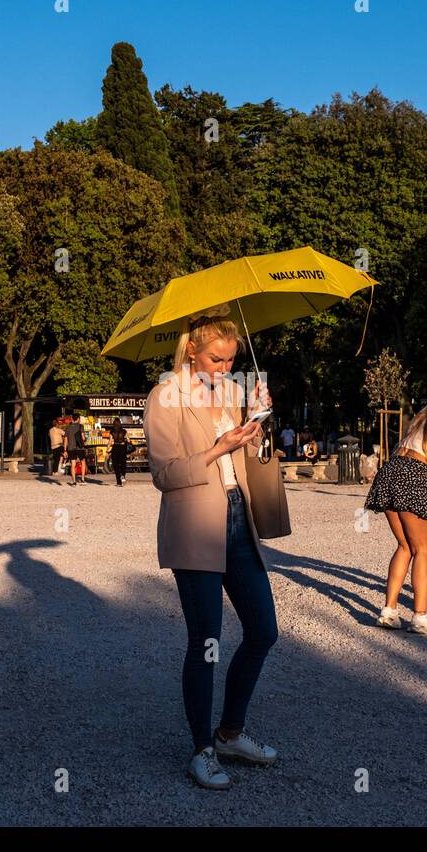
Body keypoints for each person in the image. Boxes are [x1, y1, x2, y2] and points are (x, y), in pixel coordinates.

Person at [144, 312, 278, 791]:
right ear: (190, 351)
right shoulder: (165, 396)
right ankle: (202, 750)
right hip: (195, 527)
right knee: (207, 642)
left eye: (231, 360)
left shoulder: (232, 393)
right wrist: (219, 448)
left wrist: (254, 429)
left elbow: (243, 459)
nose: (224, 368)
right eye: (215, 359)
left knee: (264, 631)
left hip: (240, 520)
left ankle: (230, 733)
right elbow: (163, 474)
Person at [364, 375, 427, 634]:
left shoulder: (421, 416)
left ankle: (389, 610)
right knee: (422, 550)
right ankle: (420, 615)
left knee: (404, 545)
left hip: (391, 469)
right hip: (414, 474)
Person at [64, 412, 87, 486]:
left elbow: (66, 439)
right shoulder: (80, 426)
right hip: (79, 447)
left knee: (73, 464)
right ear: (78, 419)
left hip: (71, 448)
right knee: (83, 462)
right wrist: (85, 439)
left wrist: (65, 450)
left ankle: (74, 481)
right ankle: (82, 479)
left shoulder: (68, 428)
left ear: (72, 419)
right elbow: (83, 438)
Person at [107, 418, 131, 487]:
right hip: (122, 448)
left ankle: (119, 482)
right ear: (120, 423)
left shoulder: (112, 432)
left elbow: (110, 442)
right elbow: (129, 441)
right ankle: (123, 475)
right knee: (123, 463)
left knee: (115, 465)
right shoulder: (124, 431)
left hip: (115, 448)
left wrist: (107, 450)